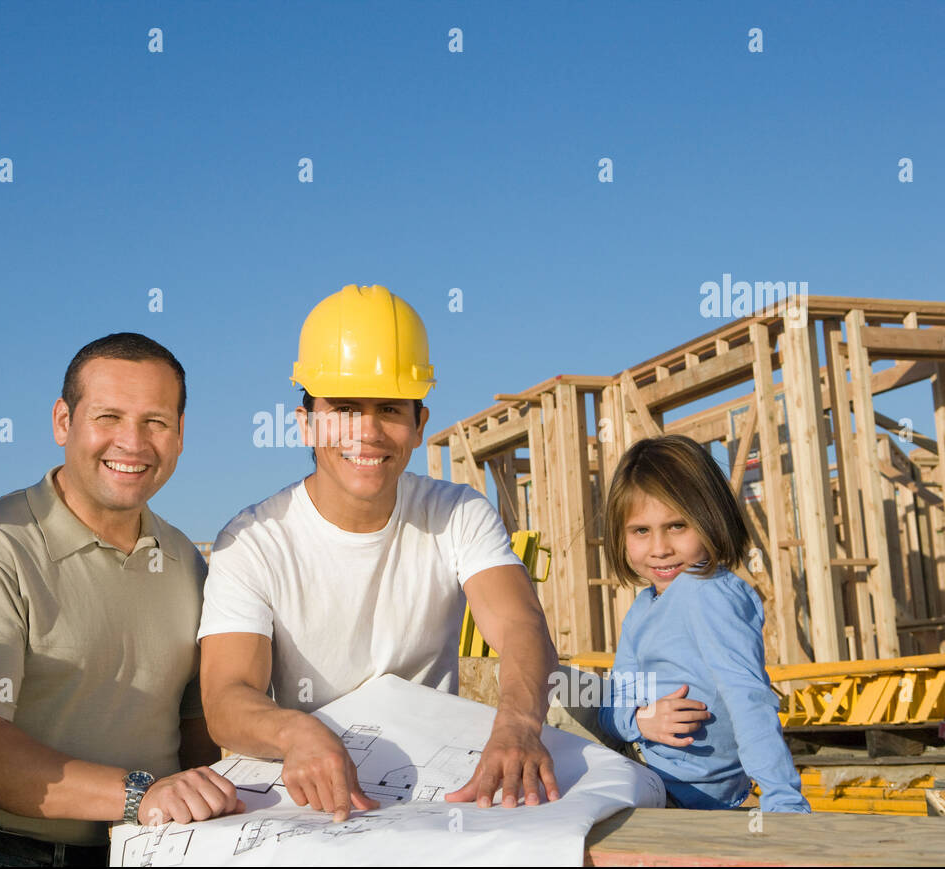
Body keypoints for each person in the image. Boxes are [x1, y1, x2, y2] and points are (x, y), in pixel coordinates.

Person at [200, 284, 561, 822]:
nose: (367, 433)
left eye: (389, 408)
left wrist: (516, 723)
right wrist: (297, 731)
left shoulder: (457, 513)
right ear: (305, 423)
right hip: (319, 794)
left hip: (442, 781)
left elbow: (520, 625)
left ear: (419, 425)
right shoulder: (252, 542)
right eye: (344, 408)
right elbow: (227, 696)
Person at [0, 332, 241, 867]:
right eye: (108, 417)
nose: (133, 444)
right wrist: (141, 795)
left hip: (153, 851)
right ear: (63, 422)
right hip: (3, 854)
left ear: (181, 434)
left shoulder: (187, 561)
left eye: (155, 422)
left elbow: (197, 729)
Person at [596, 435, 810, 813]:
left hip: (681, 794)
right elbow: (613, 706)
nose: (659, 548)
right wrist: (641, 720)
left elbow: (748, 696)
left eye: (677, 526)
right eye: (641, 531)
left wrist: (783, 799)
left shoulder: (706, 593)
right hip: (650, 776)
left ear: (712, 517)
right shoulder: (642, 610)